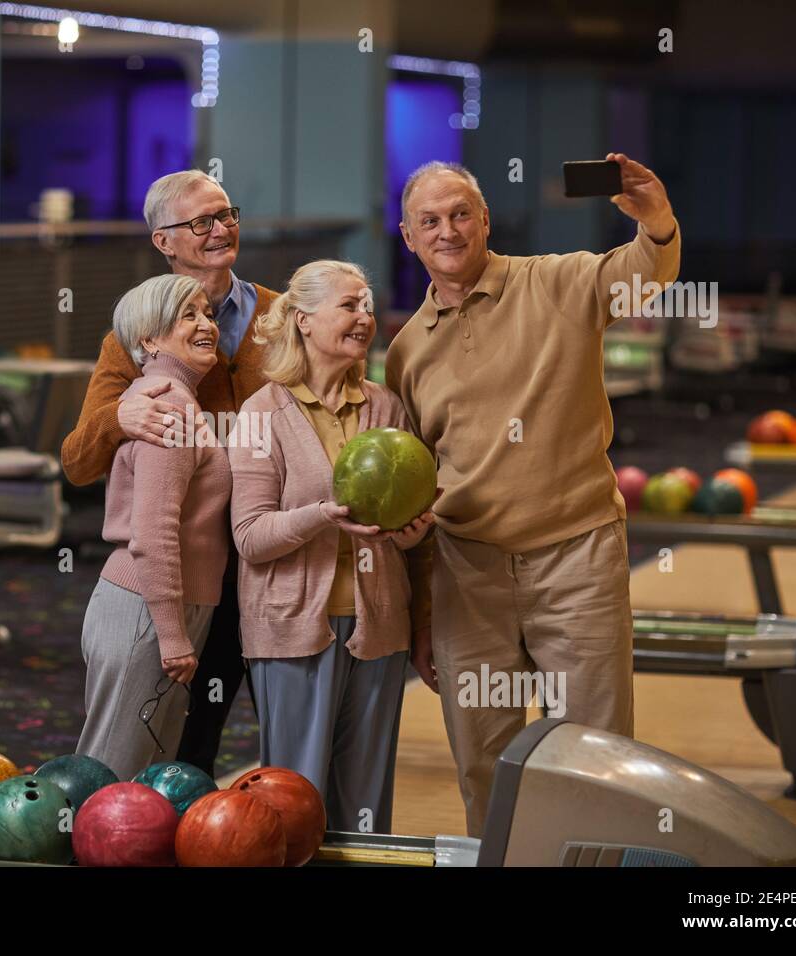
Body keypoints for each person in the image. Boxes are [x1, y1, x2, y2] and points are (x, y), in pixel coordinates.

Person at [386, 153, 681, 836]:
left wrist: (656, 220)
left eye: (461, 214)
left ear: (485, 219)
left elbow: (645, 273)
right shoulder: (407, 352)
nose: (448, 230)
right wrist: (425, 606)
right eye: (429, 220)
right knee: (482, 759)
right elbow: (416, 489)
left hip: (575, 556)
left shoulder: (557, 282)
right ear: (408, 236)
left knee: (598, 752)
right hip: (468, 573)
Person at [61, 169, 278, 776]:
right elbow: (77, 461)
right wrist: (119, 417)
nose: (219, 230)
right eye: (199, 222)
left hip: (275, 566)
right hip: (186, 577)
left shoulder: (285, 319)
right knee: (182, 748)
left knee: (287, 741)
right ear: (164, 242)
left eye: (226, 214)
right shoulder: (134, 338)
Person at [227, 259, 434, 833]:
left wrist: (414, 529)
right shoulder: (259, 414)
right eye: (349, 305)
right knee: (294, 801)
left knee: (365, 805)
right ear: (303, 320)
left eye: (368, 304)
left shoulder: (385, 407)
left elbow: (409, 517)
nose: (365, 317)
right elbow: (250, 537)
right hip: (292, 628)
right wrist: (324, 515)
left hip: (380, 628)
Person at [75, 274, 232, 781]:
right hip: (147, 608)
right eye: (187, 315)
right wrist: (172, 634)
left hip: (162, 606)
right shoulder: (171, 405)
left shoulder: (175, 398)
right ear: (149, 339)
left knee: (144, 780)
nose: (205, 324)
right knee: (109, 776)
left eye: (206, 313)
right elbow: (153, 529)